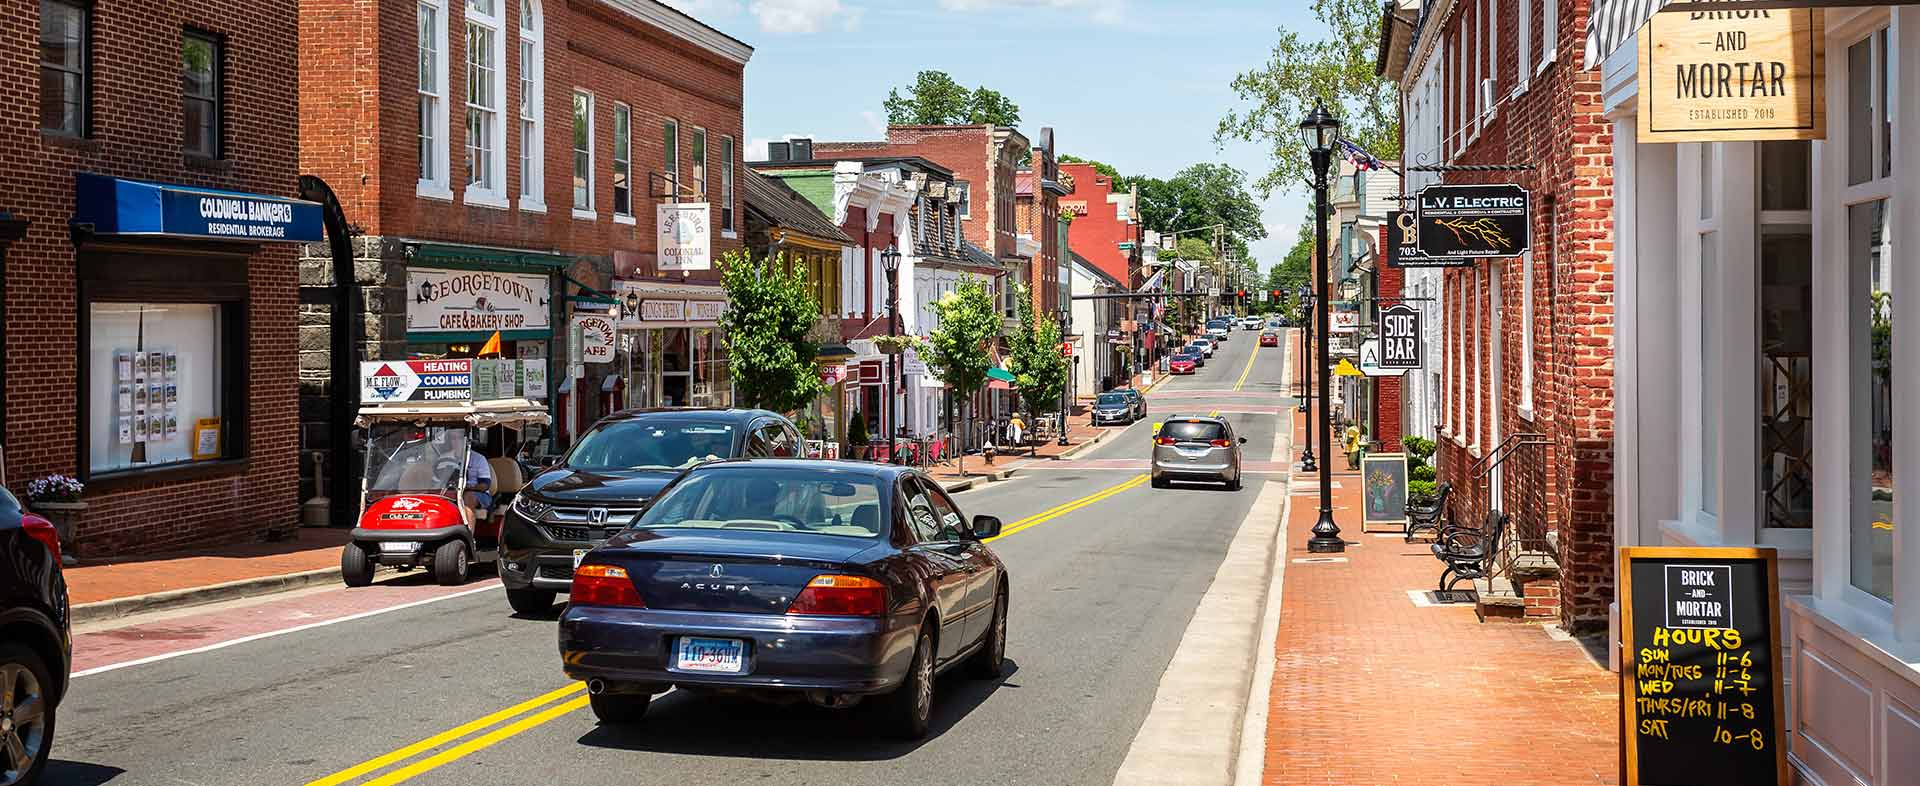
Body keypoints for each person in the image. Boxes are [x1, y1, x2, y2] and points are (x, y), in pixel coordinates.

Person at [465, 447, 494, 514]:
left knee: (468, 496)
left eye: (459, 439)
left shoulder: (479, 459)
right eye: (453, 439)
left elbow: (485, 485)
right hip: (450, 491)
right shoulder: (445, 457)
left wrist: (468, 487)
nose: (456, 442)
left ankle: (468, 524)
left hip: (478, 493)